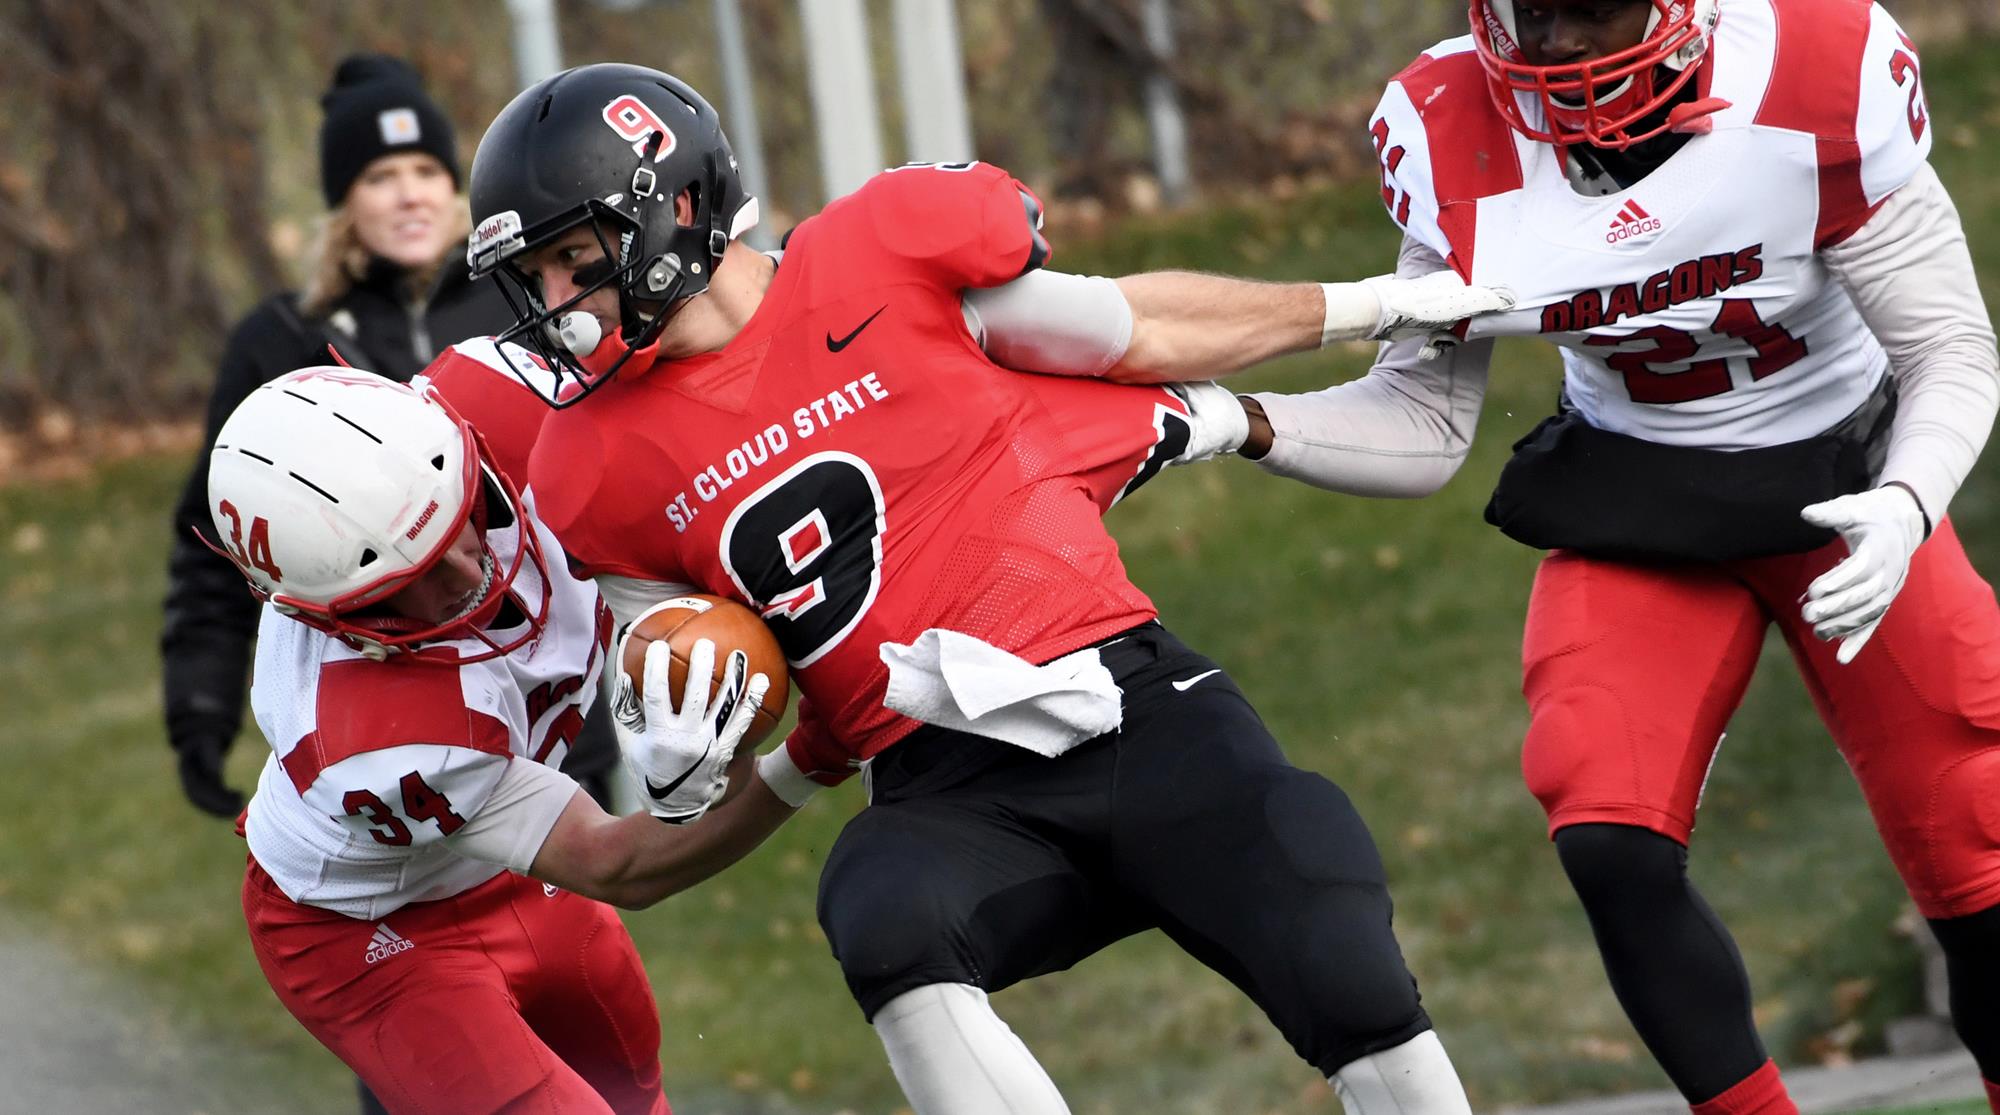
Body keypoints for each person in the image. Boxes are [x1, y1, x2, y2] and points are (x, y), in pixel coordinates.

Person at [460, 62, 1516, 1114]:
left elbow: (1130, 330)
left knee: (1323, 914)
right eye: (537, 275)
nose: (553, 303)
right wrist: (689, 759)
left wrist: (1373, 305)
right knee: (880, 904)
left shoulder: (879, 250)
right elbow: (691, 676)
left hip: (1126, 702)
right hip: (941, 784)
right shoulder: (590, 465)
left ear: (675, 206)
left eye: (570, 258)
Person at [1172, 1, 2000, 1112]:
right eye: (1532, 11)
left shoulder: (1815, 70)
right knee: (1603, 825)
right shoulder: (1447, 125)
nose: (1558, 45)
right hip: (1641, 496)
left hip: (1847, 477)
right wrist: (1242, 421)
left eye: (1592, 6)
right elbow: (1423, 427)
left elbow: (1946, 342)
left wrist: (1904, 501)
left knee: (1978, 838)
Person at [213, 366, 798, 1114]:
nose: (467, 570)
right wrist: (812, 757)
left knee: (634, 1089)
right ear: (325, 615)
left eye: (456, 515)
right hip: (364, 930)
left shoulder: (504, 397)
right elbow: (622, 864)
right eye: (403, 581)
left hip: (511, 863)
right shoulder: (366, 736)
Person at [160, 52, 617, 822]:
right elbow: (225, 537)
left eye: (425, 170)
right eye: (379, 177)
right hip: (397, 718)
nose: (409, 194)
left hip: (557, 681)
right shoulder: (282, 342)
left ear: (456, 185)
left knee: (583, 901)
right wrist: (201, 708)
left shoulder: (528, 301)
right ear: (343, 203)